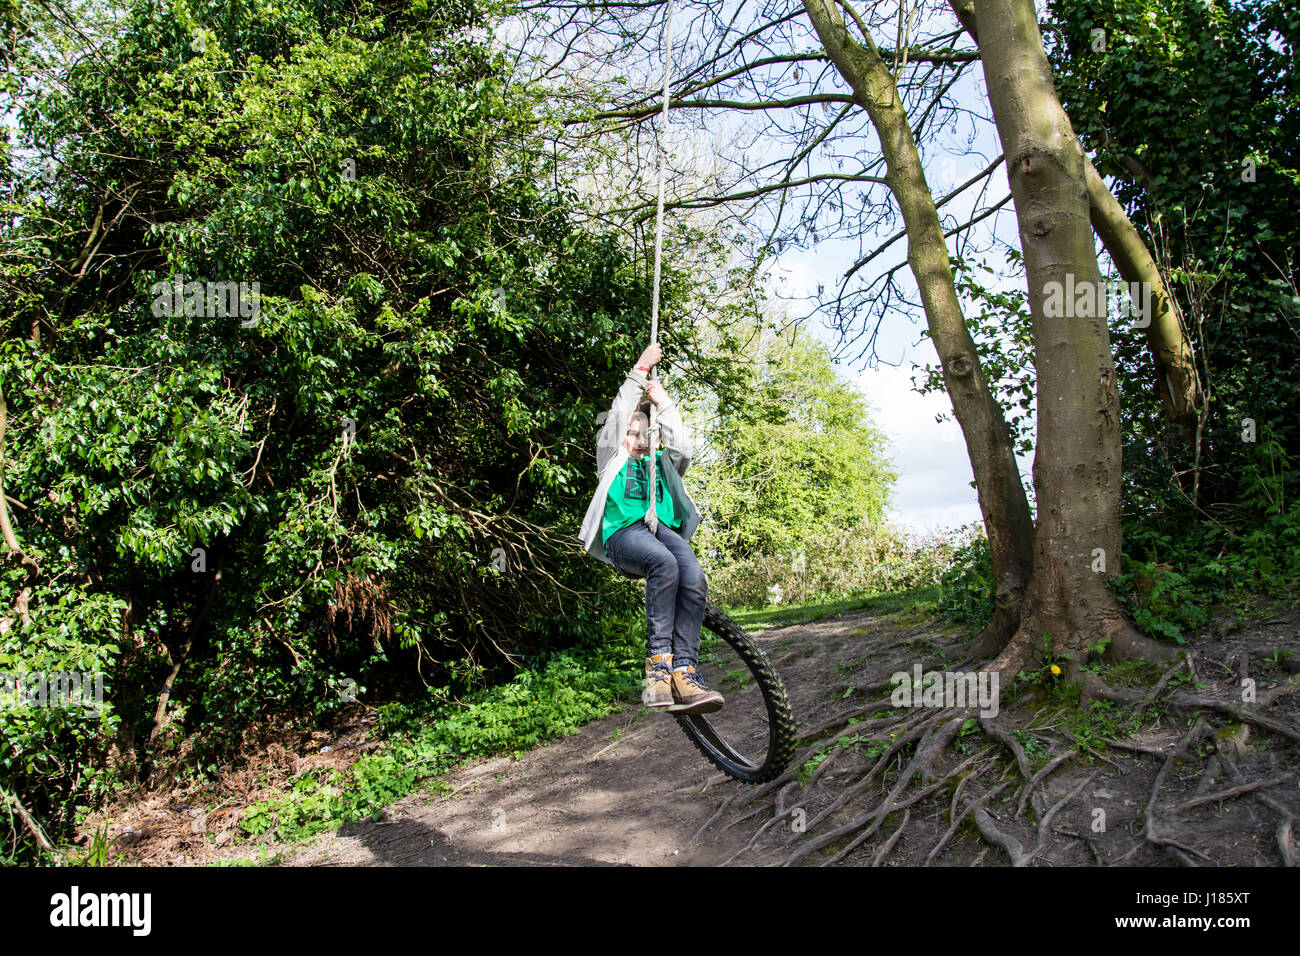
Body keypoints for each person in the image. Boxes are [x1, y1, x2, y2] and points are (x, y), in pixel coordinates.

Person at [579, 342, 724, 715]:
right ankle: (657, 668)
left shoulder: (663, 462)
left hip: (663, 531)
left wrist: (664, 404)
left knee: (693, 576)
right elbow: (616, 416)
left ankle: (684, 671)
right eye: (632, 432)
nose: (638, 439)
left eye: (645, 433)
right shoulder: (613, 457)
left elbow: (684, 449)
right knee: (665, 564)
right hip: (625, 535)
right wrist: (641, 369)